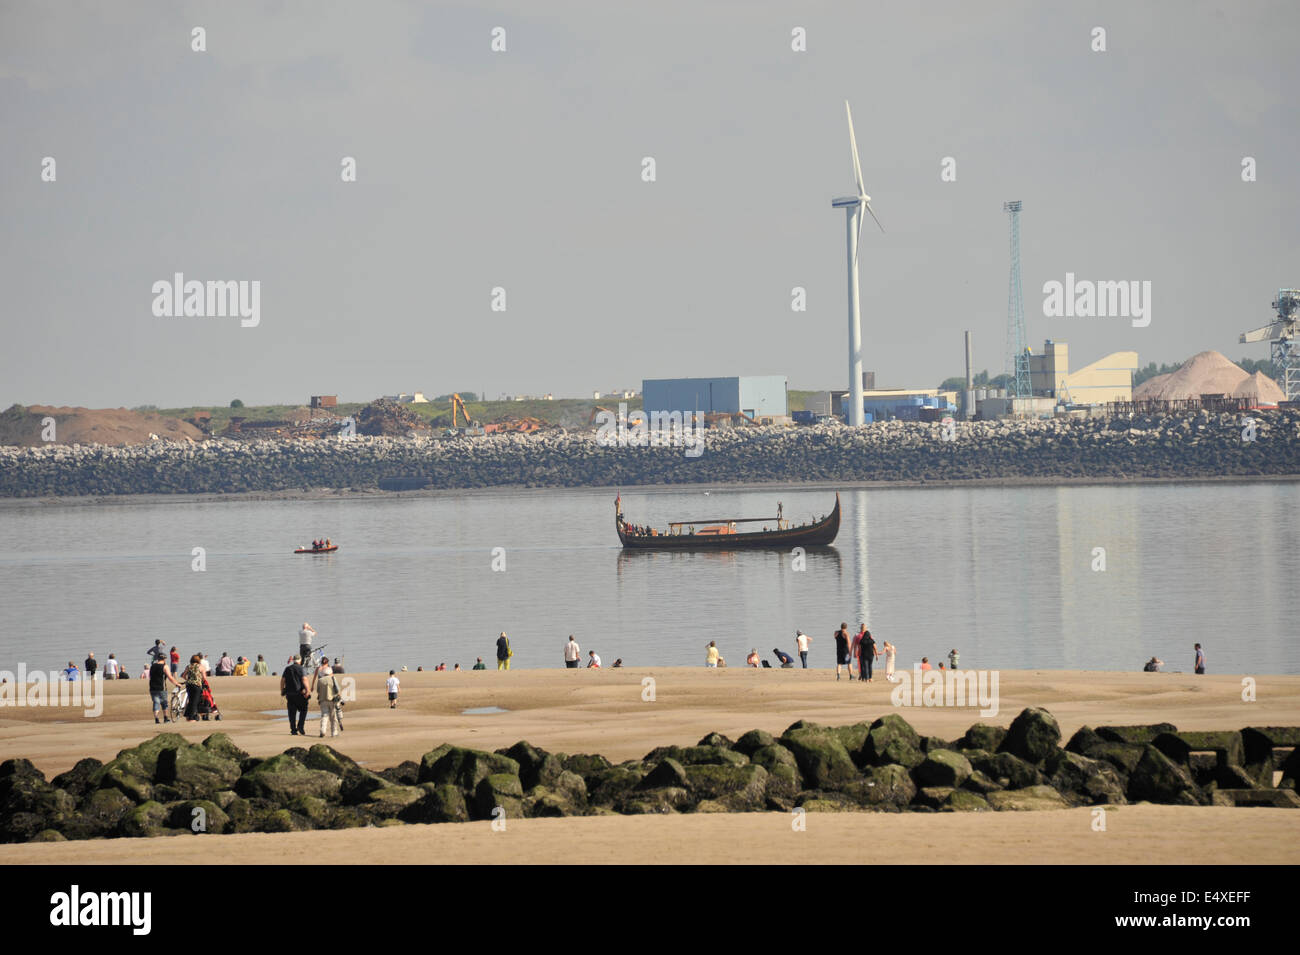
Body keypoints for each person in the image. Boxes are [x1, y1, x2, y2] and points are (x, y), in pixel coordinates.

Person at [311, 656, 342, 737]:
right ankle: (334, 732)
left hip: (322, 699)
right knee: (333, 717)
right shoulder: (332, 678)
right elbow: (337, 689)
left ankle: (322, 730)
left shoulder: (320, 679)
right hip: (332, 699)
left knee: (324, 715)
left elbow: (318, 690)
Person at [280, 655, 310, 735]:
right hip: (300, 693)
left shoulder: (288, 669)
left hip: (290, 694)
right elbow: (304, 679)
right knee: (304, 710)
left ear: (293, 660)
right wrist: (308, 690)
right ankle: (300, 726)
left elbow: (283, 680)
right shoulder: (302, 668)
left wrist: (282, 690)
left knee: (291, 712)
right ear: (300, 660)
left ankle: (293, 729)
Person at [149, 654, 182, 724]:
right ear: (164, 659)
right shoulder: (165, 666)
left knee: (156, 702)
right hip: (161, 687)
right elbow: (170, 677)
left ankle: (156, 719)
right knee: (164, 703)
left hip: (152, 687)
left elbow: (150, 676)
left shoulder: (153, 666)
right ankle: (165, 718)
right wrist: (177, 683)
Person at [181, 654, 205, 721]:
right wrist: (200, 680)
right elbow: (204, 677)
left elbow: (183, 675)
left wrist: (188, 680)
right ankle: (191, 717)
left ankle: (187, 716)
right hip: (197, 685)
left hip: (189, 685)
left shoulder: (188, 666)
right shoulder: (200, 666)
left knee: (191, 700)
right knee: (194, 701)